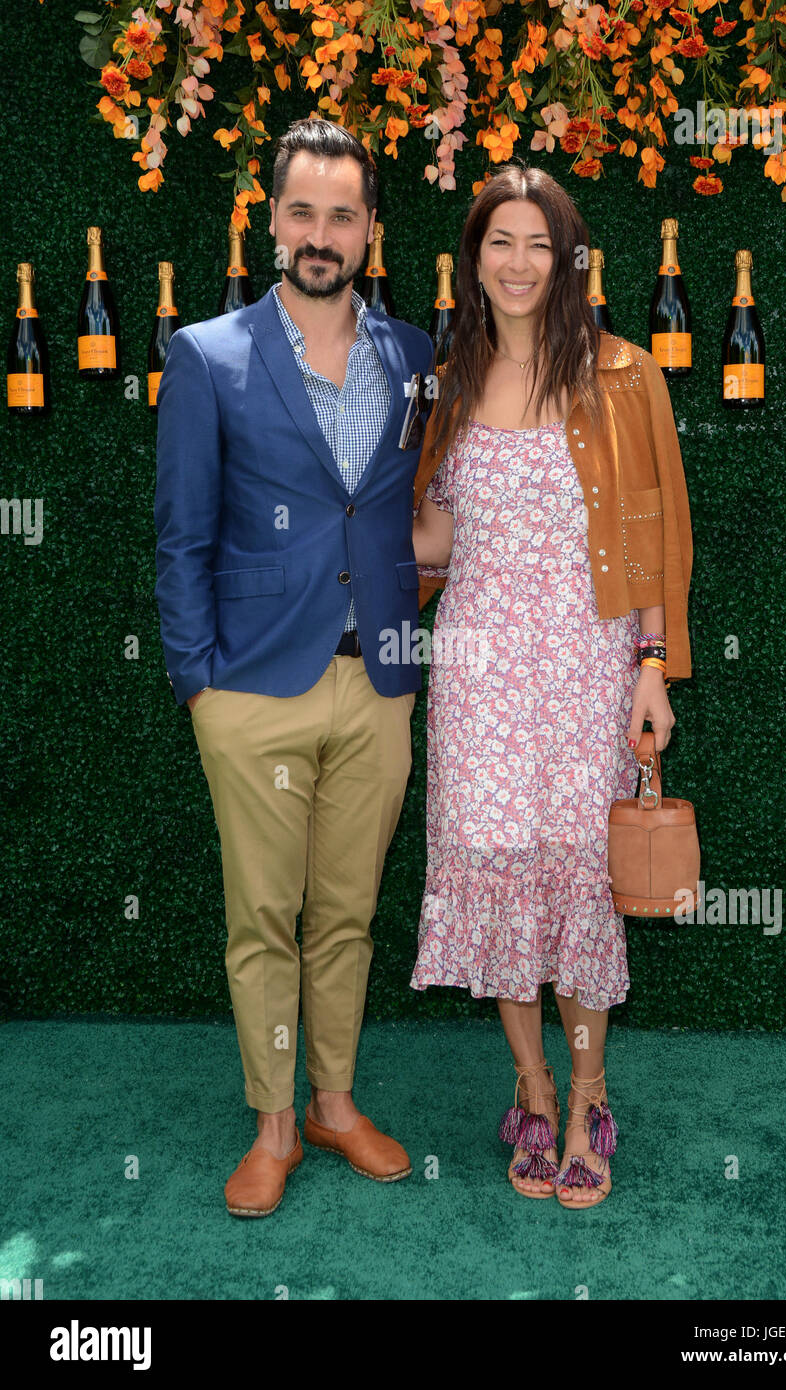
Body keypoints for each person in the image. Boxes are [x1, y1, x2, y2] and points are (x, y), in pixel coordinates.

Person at [154, 118, 432, 1218]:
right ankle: (274, 1123)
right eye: (303, 211)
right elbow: (180, 538)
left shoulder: (412, 357)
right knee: (264, 916)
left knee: (349, 912)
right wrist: (199, 687)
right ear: (272, 219)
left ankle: (333, 1098)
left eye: (343, 215)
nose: (322, 234)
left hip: (378, 687)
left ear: (370, 229)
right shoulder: (207, 354)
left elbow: (408, 511)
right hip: (252, 693)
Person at [409, 162, 693, 1208]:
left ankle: (584, 1095)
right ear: (472, 257)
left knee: (577, 874)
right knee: (495, 870)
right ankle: (526, 1084)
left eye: (538, 243)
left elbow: (657, 530)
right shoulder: (444, 379)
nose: (518, 262)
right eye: (499, 242)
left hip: (586, 667)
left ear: (565, 259)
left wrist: (652, 668)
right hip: (477, 671)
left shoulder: (622, 374)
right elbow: (438, 533)